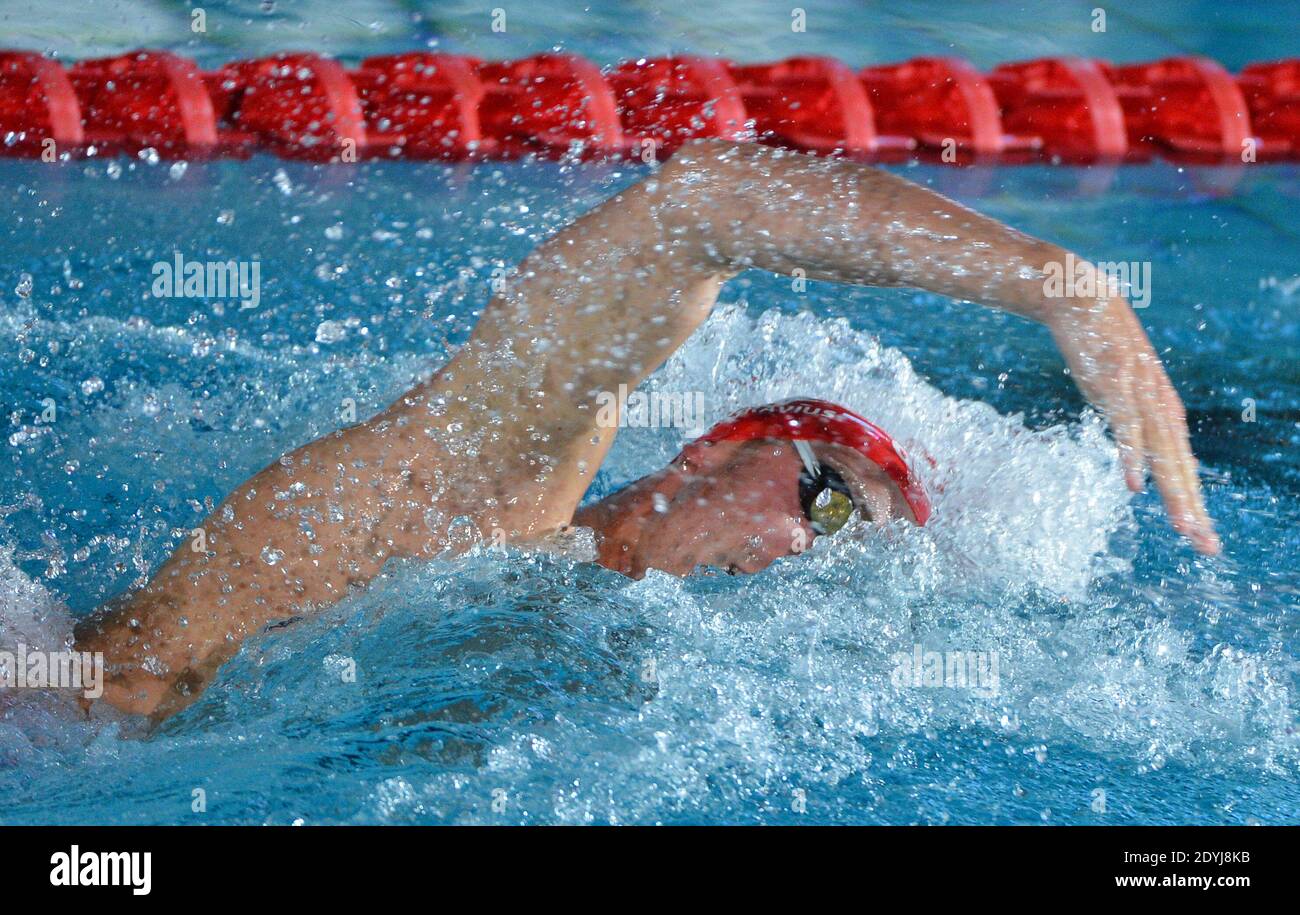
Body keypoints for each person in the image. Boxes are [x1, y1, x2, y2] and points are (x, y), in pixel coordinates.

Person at [71, 138, 1218, 720]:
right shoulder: (498, 480)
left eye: (843, 548)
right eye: (822, 496)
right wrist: (1065, 285)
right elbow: (698, 203)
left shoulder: (573, 670)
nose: (802, 549)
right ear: (714, 443)